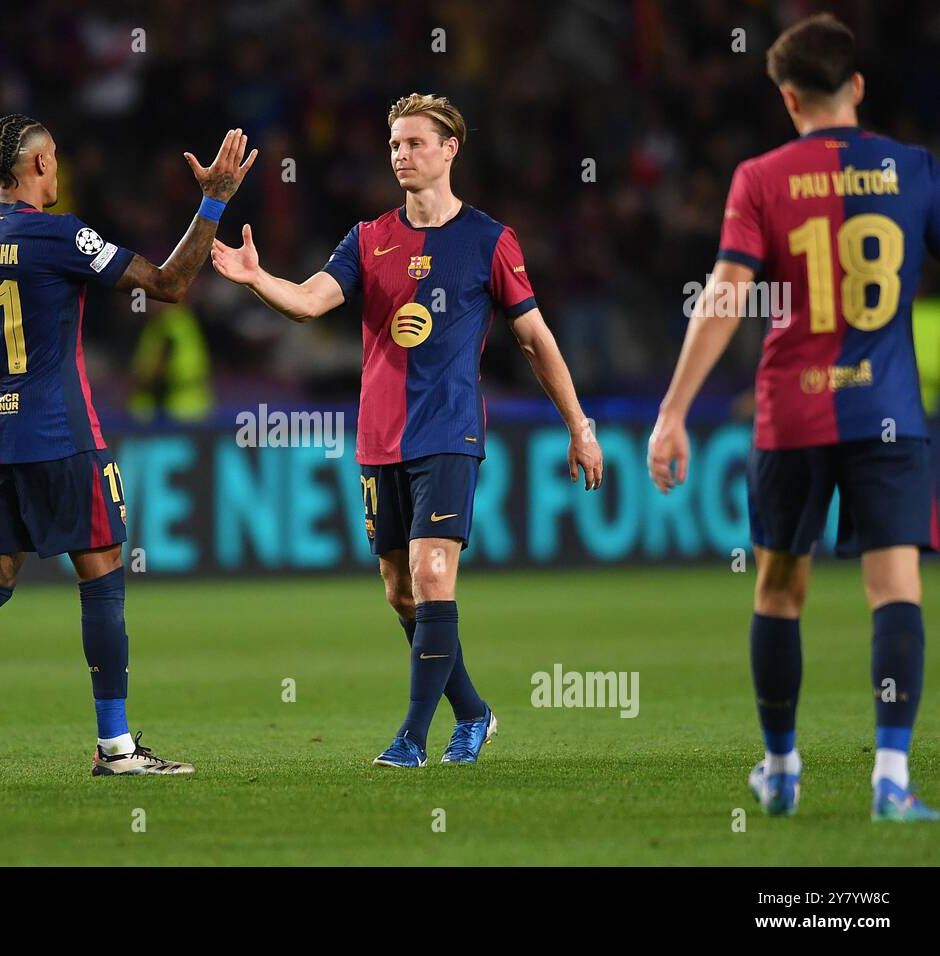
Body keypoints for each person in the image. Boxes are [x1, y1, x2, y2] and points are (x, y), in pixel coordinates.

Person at [211, 93, 602, 767]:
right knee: (399, 588)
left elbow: (534, 337)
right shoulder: (368, 239)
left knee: (431, 574)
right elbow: (307, 302)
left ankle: (412, 740)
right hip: (379, 437)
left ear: (451, 149)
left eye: (416, 143)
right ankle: (475, 713)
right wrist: (255, 278)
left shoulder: (489, 240)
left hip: (448, 433)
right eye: (394, 145)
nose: (402, 155)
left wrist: (580, 426)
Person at [0, 117, 255, 778]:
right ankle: (115, 748)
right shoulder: (61, 235)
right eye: (53, 159)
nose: (59, 170)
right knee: (104, 569)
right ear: (37, 166)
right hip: (61, 436)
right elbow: (168, 284)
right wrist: (215, 200)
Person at [648, 13, 940, 821]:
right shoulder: (913, 169)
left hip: (794, 412)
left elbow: (727, 297)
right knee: (896, 590)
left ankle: (780, 769)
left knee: (778, 590)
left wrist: (673, 410)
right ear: (856, 87)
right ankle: (890, 777)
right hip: (888, 413)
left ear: (787, 97)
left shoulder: (761, 178)